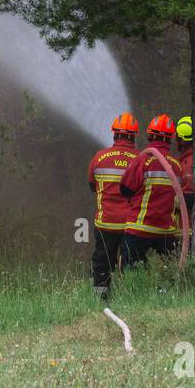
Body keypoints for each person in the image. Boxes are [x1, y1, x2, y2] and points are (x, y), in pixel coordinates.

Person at [118, 113, 184, 269]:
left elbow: (125, 189)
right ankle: (166, 292)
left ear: (149, 135)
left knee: (130, 269)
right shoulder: (176, 165)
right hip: (166, 230)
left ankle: (135, 292)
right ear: (171, 138)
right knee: (169, 272)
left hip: (140, 227)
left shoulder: (143, 160)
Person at [87, 113, 140, 299]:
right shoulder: (142, 159)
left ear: (114, 135)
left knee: (102, 261)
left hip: (106, 223)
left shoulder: (99, 157)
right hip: (132, 226)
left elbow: (93, 186)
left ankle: (100, 299)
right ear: (134, 136)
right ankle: (132, 296)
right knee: (132, 262)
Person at [175, 115, 194, 219]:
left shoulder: (188, 163)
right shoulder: (185, 159)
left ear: (182, 140)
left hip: (188, 226)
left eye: (177, 138)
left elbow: (190, 197)